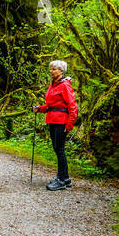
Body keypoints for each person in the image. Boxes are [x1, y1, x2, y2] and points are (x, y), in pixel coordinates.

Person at [33, 60, 78, 191]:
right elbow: (51, 106)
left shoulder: (65, 86)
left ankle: (61, 180)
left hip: (61, 121)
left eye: (54, 69)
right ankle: (66, 178)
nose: (51, 71)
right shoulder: (53, 85)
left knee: (59, 149)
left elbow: (72, 106)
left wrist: (69, 124)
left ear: (61, 71)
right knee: (57, 148)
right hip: (52, 120)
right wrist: (40, 108)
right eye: (51, 69)